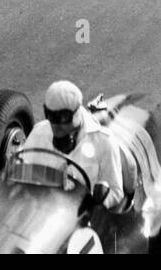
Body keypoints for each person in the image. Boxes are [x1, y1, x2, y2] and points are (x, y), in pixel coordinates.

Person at [19, 81, 128, 213]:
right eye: (51, 116)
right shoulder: (38, 133)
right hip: (42, 214)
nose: (56, 125)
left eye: (63, 117)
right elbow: (21, 176)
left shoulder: (103, 141)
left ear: (77, 112)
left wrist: (98, 204)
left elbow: (115, 191)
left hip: (80, 220)